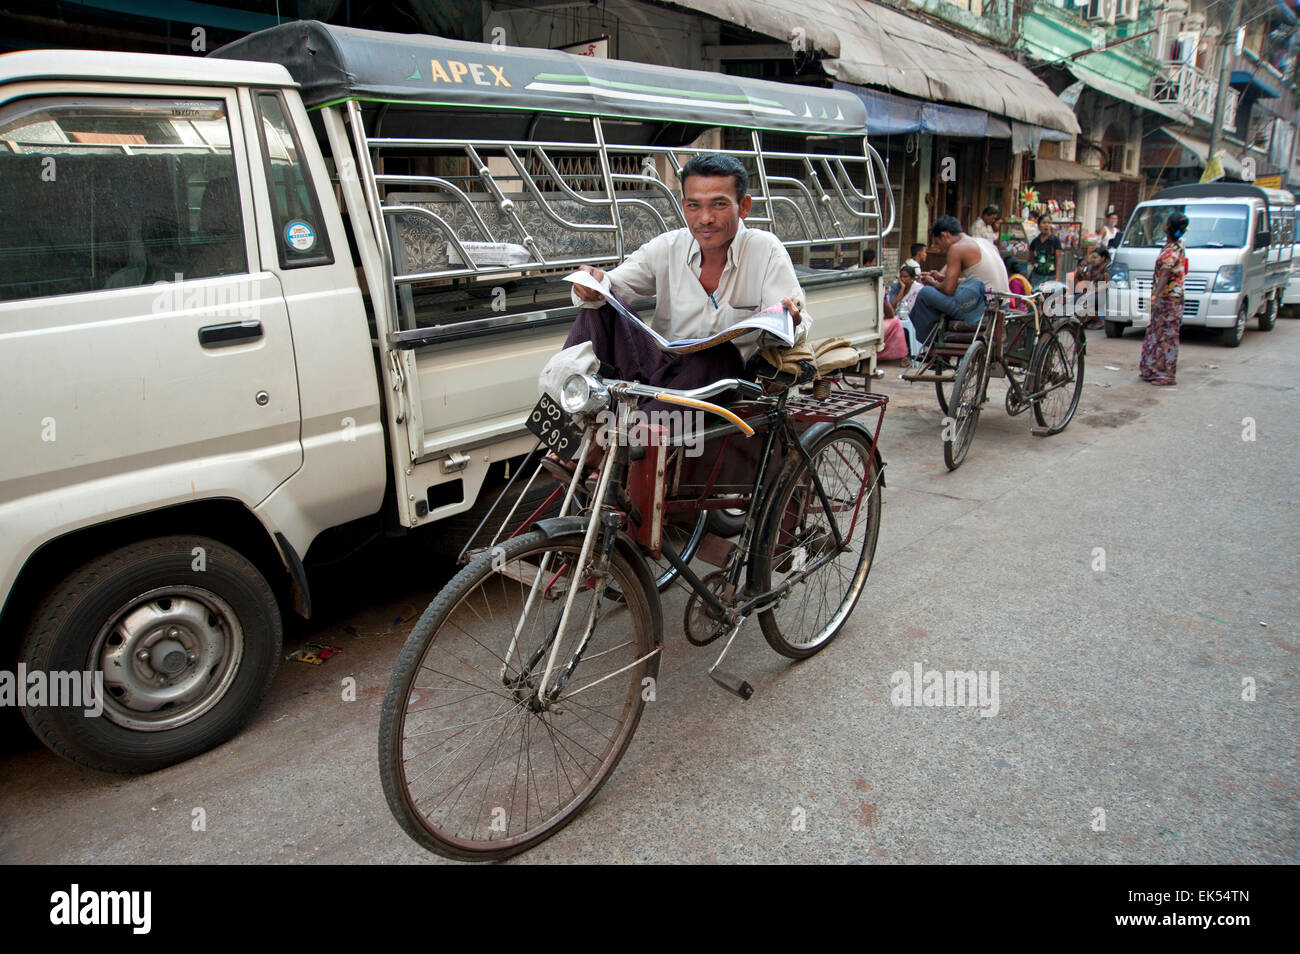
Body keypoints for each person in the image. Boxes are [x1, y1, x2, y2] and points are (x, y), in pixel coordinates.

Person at [539, 153, 809, 432]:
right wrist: (589, 282)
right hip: (658, 369)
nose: (705, 218)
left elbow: (795, 325)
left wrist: (792, 318)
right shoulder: (668, 247)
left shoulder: (765, 250)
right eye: (694, 206)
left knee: (721, 354)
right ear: (683, 206)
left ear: (744, 207)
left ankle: (621, 438)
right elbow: (611, 284)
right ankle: (561, 430)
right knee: (598, 306)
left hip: (716, 384)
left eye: (718, 205)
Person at [908, 215, 1009, 349]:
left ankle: (933, 345)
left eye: (938, 243)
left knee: (925, 293)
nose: (940, 249)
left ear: (945, 235)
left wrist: (931, 282)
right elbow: (976, 280)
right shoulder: (984, 243)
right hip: (1002, 305)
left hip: (982, 310)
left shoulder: (956, 248)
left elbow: (948, 289)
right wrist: (941, 278)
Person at [1139, 212, 1189, 387]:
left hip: (1169, 299)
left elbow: (1166, 274)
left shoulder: (1172, 250)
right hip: (1169, 298)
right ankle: (1151, 369)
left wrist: (1155, 296)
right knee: (1156, 333)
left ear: (1167, 226)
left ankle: (1166, 374)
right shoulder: (1177, 245)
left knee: (1167, 337)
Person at [1074, 245, 1110, 329]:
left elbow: (1107, 284)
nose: (1093, 260)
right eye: (1092, 257)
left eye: (1095, 257)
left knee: (1087, 301)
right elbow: (1088, 281)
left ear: (1103, 258)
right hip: (1091, 292)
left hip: (1103, 294)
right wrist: (1082, 274)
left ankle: (1099, 321)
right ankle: (1082, 321)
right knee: (1074, 299)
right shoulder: (1092, 268)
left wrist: (1093, 291)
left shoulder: (1107, 268)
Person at [1029, 215, 1062, 281]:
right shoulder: (1035, 241)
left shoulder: (1055, 240)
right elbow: (1032, 258)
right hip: (1036, 276)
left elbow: (1058, 260)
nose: (1046, 225)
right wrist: (1037, 265)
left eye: (1049, 223)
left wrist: (1058, 277)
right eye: (1044, 223)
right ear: (1039, 225)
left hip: (1050, 276)